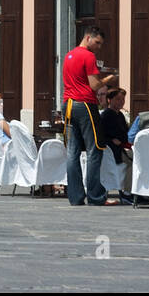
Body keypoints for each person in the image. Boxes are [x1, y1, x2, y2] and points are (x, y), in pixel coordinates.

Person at [62, 25, 118, 206]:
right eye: (97, 42)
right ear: (88, 38)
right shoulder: (88, 56)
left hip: (68, 104)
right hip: (85, 104)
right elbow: (94, 86)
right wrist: (108, 79)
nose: (98, 47)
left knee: (72, 152)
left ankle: (76, 196)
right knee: (95, 149)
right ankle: (95, 196)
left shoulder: (69, 55)